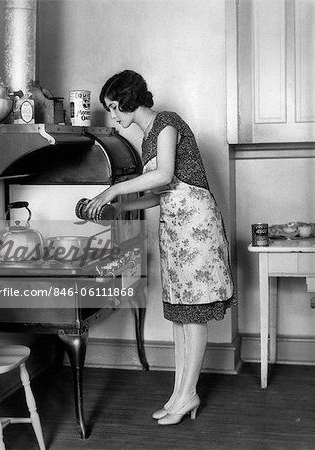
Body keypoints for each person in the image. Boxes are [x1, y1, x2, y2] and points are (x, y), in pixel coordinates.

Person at [84, 70, 236, 425]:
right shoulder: (148, 137)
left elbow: (165, 175)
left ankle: (188, 394)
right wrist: (121, 208)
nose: (114, 116)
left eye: (114, 107)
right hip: (175, 230)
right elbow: (159, 192)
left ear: (129, 99)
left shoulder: (167, 122)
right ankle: (178, 394)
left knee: (194, 312)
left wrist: (112, 191)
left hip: (197, 229)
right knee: (181, 314)